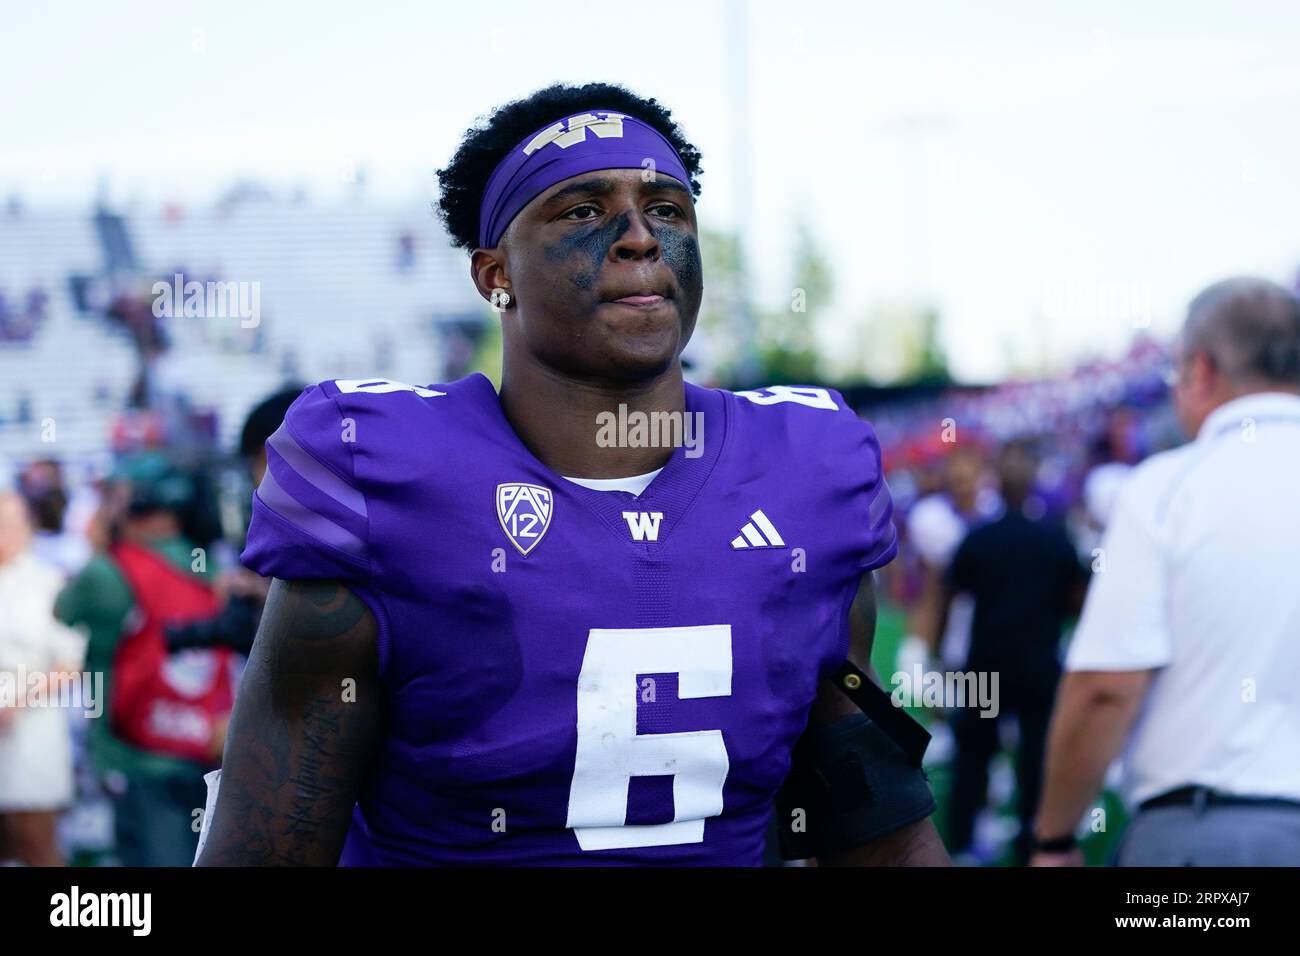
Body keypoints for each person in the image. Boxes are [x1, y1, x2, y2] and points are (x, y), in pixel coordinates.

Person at [197, 82, 947, 866]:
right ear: (495, 275)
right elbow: (265, 851)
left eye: (666, 209)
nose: (637, 236)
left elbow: (873, 819)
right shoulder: (380, 475)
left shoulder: (806, 472)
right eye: (583, 210)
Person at [1032, 277, 1300, 866]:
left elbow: (1106, 689)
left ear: (1202, 370)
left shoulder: (1168, 486)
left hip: (1206, 838)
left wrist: (1053, 838)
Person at [56, 455, 235, 866]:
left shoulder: (109, 571)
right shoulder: (213, 568)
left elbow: (61, 612)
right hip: (206, 748)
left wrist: (100, 544)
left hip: (134, 757)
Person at [940, 442, 1087, 863]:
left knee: (972, 756)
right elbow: (1077, 599)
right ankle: (1032, 841)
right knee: (1037, 757)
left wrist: (935, 654)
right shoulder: (1055, 537)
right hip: (1039, 664)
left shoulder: (979, 537)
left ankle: (966, 843)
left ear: (997, 486)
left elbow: (952, 596)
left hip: (985, 665)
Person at [0, 490, 86, 865]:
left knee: (34, 838)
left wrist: (15, 701)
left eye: (14, 524)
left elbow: (70, 663)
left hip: (32, 727)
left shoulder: (49, 582)